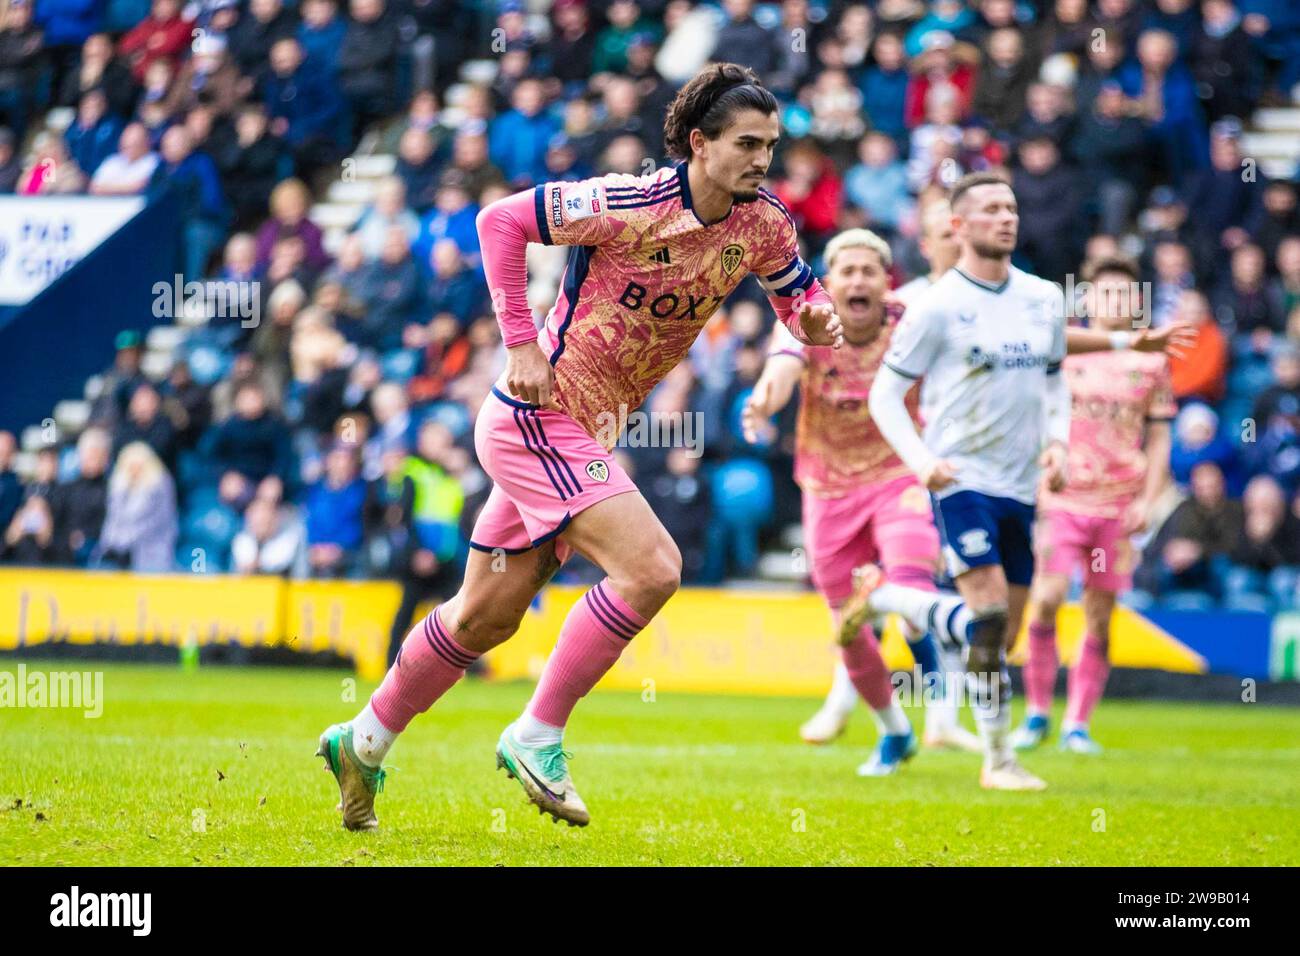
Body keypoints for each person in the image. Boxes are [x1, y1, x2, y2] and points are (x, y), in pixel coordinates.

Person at [316, 63, 844, 831]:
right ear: (699, 143)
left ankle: (361, 741)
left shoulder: (762, 222)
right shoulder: (629, 200)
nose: (763, 159)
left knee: (483, 620)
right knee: (655, 567)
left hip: (582, 436)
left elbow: (798, 293)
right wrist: (521, 345)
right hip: (536, 416)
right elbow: (498, 222)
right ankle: (538, 732)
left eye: (770, 144)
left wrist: (818, 316)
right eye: (747, 143)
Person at [743, 229, 983, 772]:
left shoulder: (913, 320)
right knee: (847, 629)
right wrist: (763, 399)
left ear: (885, 281)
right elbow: (782, 368)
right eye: (846, 271)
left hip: (899, 474)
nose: (857, 280)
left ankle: (941, 648)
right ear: (829, 281)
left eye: (868, 271)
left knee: (909, 582)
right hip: (827, 487)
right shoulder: (808, 319)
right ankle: (895, 730)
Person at [865, 171, 1071, 792]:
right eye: (989, 209)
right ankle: (999, 760)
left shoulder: (1044, 299)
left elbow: (1057, 379)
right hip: (959, 479)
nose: (1005, 218)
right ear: (958, 226)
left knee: (1000, 632)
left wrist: (1059, 440)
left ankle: (887, 598)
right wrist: (922, 461)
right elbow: (886, 394)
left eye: (1010, 207)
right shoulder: (935, 306)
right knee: (984, 615)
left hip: (1018, 485)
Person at [1011, 256, 1175, 755]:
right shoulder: (1065, 348)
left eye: (1126, 295)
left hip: (1117, 504)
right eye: (1106, 294)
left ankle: (1077, 724)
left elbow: (1161, 436)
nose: (1116, 303)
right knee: (1046, 598)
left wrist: (1150, 500)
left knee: (1100, 616)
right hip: (1062, 497)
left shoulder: (1151, 361)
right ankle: (1038, 711)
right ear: (1087, 300)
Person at [94, 442, 179, 573]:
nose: (134, 471)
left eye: (138, 467)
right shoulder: (118, 488)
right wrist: (111, 544)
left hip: (151, 550)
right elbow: (112, 521)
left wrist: (125, 540)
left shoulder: (160, 487)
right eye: (130, 467)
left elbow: (158, 523)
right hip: (118, 551)